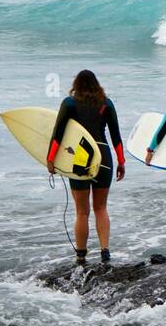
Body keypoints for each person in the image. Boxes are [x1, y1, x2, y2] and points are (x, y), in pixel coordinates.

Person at [47, 69, 125, 266]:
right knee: (101, 208)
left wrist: (50, 159)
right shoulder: (106, 103)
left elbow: (58, 134)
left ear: (77, 85)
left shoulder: (70, 103)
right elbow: (116, 136)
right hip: (104, 158)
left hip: (81, 158)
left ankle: (81, 255)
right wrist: (121, 161)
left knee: (82, 211)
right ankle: (105, 251)